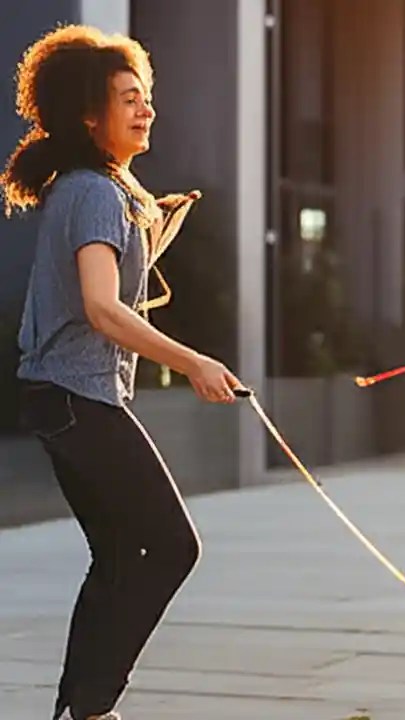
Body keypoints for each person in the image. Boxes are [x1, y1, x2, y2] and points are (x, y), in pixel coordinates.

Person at [1, 26, 243, 720]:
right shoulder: (96, 194)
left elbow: (99, 295)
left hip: (59, 397)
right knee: (171, 546)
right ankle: (95, 706)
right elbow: (103, 310)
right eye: (129, 99)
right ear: (88, 115)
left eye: (148, 98)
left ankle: (78, 708)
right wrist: (195, 361)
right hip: (80, 397)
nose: (146, 111)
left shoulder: (92, 188)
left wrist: (150, 232)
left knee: (114, 558)